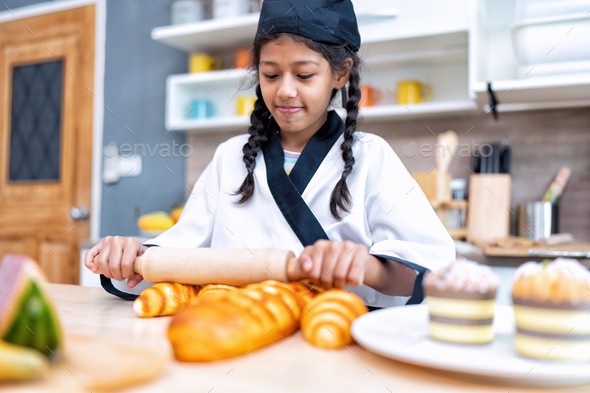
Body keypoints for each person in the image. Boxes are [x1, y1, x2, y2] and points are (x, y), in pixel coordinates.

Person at [85, 0, 455, 309]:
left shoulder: (372, 157)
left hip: (332, 342)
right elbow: (182, 252)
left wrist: (367, 267)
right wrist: (131, 256)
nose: (285, 91)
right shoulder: (230, 157)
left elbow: (427, 267)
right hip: (234, 331)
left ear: (340, 74)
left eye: (305, 75)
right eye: (271, 75)